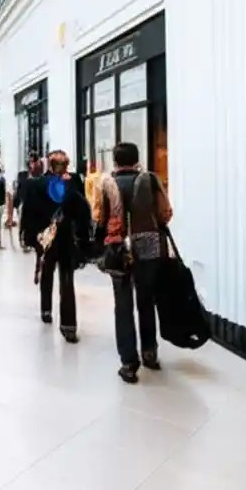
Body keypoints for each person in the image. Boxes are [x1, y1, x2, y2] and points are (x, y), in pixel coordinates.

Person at [22, 150, 106, 343]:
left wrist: (30, 237)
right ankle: (69, 325)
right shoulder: (73, 184)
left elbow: (29, 211)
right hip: (67, 237)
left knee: (46, 271)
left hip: (46, 238)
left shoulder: (38, 184)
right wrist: (84, 238)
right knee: (67, 279)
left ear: (49, 165)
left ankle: (46, 310)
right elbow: (83, 211)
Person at [109, 142, 174, 383]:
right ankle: (150, 352)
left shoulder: (107, 184)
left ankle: (128, 363)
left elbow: (99, 217)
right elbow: (166, 213)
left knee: (123, 304)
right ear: (137, 159)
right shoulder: (151, 179)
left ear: (115, 161)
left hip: (118, 249)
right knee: (146, 301)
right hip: (148, 246)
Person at [11, 153, 43, 252]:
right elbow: (18, 189)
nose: (32, 164)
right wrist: (15, 202)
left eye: (34, 162)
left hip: (35, 204)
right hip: (23, 203)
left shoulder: (40, 176)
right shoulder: (22, 175)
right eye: (31, 162)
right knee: (23, 223)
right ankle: (23, 240)